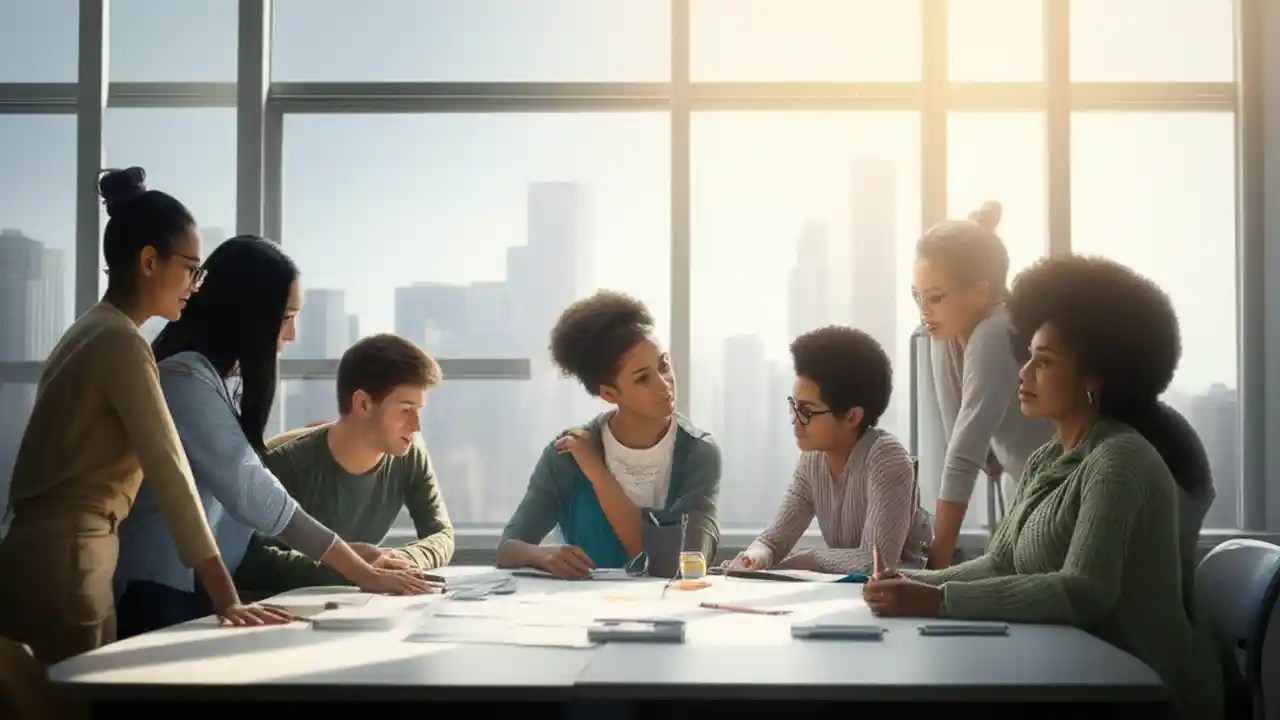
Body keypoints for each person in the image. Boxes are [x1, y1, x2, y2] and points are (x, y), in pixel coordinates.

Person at [863, 256, 1223, 719]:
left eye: (1045, 361)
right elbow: (1002, 562)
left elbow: (1083, 592)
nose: (1024, 371)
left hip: (1142, 694)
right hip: (1078, 678)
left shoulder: (1120, 460)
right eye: (1028, 354)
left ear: (1095, 377)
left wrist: (937, 599)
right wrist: (908, 579)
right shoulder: (1048, 456)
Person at [0, 168, 287, 664]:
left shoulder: (89, 329)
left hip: (39, 550)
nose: (195, 287)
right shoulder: (123, 342)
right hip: (71, 557)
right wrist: (226, 596)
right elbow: (170, 468)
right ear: (150, 261)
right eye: (191, 269)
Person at [113, 236, 430, 637]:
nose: (293, 333)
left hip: (195, 584)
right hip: (157, 586)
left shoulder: (222, 380)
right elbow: (252, 492)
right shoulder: (184, 380)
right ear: (247, 313)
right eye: (285, 317)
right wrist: (358, 570)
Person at [497, 290, 721, 579]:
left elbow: (674, 564)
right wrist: (541, 555)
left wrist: (598, 473)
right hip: (580, 613)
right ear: (609, 393)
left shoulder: (698, 452)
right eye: (643, 378)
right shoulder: (567, 453)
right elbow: (508, 549)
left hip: (671, 613)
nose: (664, 384)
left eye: (663, 365)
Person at [234, 334, 455, 597]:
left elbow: (441, 533)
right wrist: (354, 570)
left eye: (420, 410)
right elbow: (251, 561)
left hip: (348, 604)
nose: (417, 425)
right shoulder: (282, 462)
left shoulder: (411, 454)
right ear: (362, 404)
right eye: (406, 410)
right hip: (274, 611)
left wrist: (402, 560)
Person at [913, 201, 1054, 568]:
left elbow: (963, 451)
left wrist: (937, 564)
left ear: (980, 291)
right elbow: (954, 428)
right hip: (1026, 482)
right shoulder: (945, 329)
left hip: (1068, 488)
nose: (924, 310)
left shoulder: (998, 329)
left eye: (936, 297)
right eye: (918, 296)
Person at [726, 326, 931, 574]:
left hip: (901, 600)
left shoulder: (887, 458)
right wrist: (755, 558)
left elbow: (874, 562)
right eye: (794, 406)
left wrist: (805, 561)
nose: (795, 420)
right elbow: (775, 539)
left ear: (852, 416)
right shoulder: (812, 460)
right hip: (845, 595)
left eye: (807, 411)